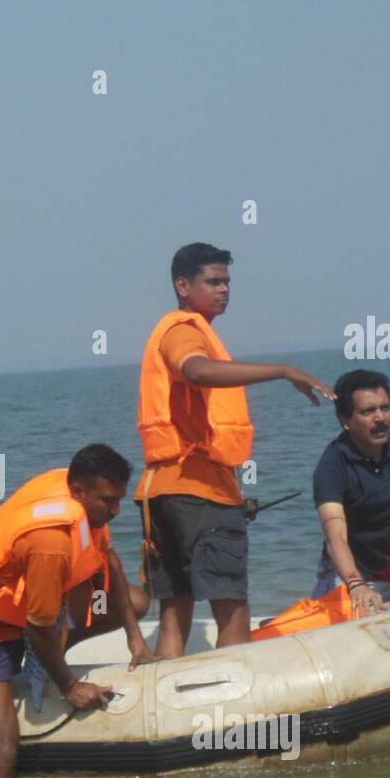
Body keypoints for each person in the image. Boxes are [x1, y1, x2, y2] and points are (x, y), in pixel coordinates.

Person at [137, 242, 335, 657]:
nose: (224, 289)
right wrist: (283, 371)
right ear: (183, 285)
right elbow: (196, 369)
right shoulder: (183, 330)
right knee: (232, 609)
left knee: (174, 611)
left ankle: (166, 708)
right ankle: (238, 712)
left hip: (161, 494)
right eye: (213, 281)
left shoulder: (189, 330)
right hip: (198, 490)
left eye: (227, 281)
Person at [0, 444, 157, 778]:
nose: (117, 510)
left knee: (133, 602)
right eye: (109, 500)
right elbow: (39, 626)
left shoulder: (86, 505)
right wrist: (70, 686)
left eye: (119, 499)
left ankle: (54, 653)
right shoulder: (50, 542)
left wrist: (134, 637)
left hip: (43, 609)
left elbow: (110, 560)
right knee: (3, 753)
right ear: (78, 491)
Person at [312, 369, 390, 615]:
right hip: (348, 574)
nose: (380, 418)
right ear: (346, 420)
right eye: (368, 411)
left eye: (385, 408)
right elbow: (336, 537)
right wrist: (357, 586)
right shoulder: (331, 466)